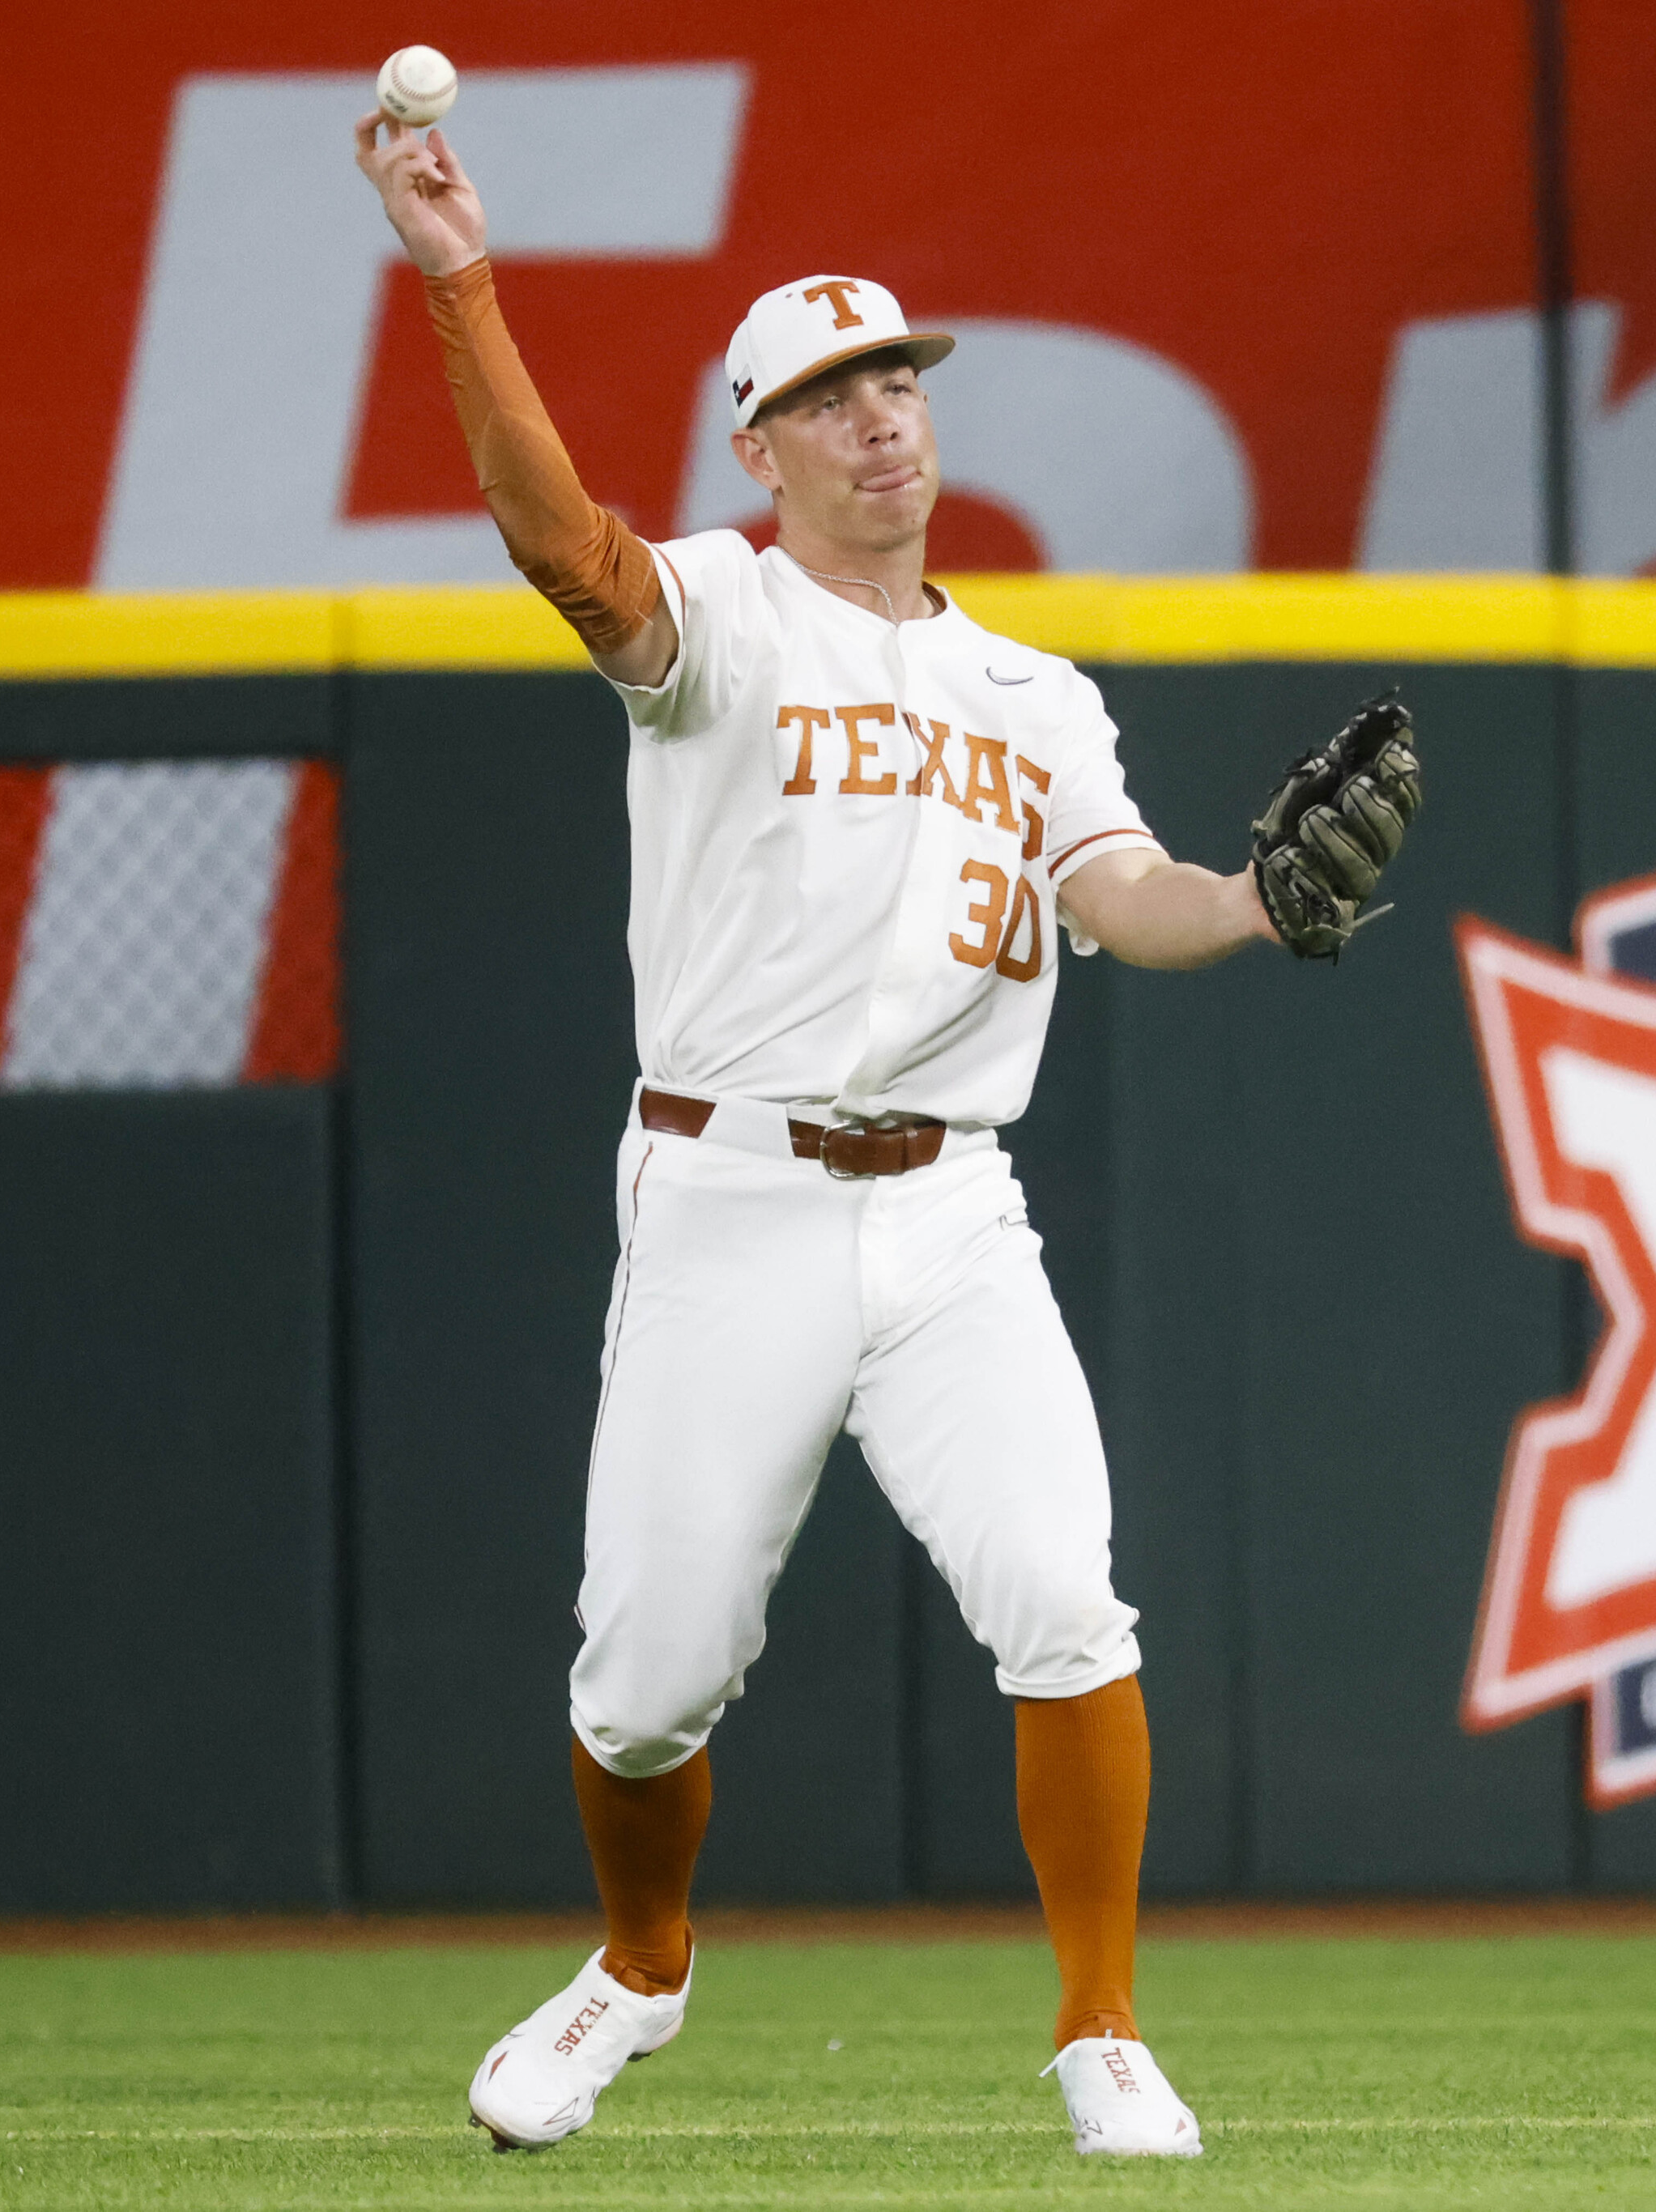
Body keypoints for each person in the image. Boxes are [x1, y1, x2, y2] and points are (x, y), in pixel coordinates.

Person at [348, 107, 1377, 2160]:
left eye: (896, 378)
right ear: (763, 446)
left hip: (953, 1213)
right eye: (827, 395)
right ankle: (638, 1966)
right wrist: (460, 278)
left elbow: (1130, 900)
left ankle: (1101, 2026)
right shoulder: (722, 617)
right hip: (729, 1188)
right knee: (645, 1681)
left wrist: (1260, 905)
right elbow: (565, 548)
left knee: (1065, 1596)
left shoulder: (1033, 688)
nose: (881, 418)